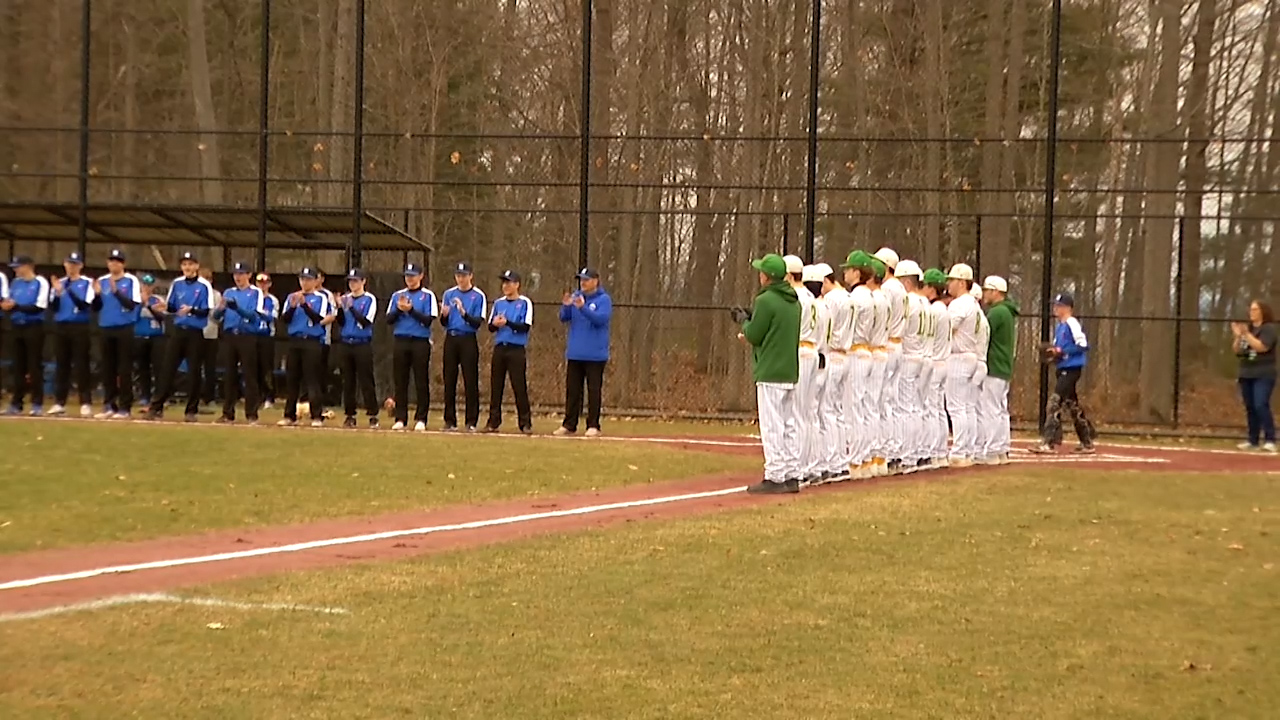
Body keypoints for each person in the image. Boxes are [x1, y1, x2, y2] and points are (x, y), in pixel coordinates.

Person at [734, 253, 802, 494]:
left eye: (762, 271)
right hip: (789, 369)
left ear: (768, 277)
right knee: (789, 423)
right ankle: (792, 473)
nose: (760, 274)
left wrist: (744, 322)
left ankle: (774, 475)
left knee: (773, 424)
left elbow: (755, 334)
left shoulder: (766, 300)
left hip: (771, 369)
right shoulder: (794, 301)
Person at [144, 251, 214, 422]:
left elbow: (207, 310)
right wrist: (165, 307)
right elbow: (173, 306)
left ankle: (191, 410)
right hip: (178, 330)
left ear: (197, 266)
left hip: (195, 332)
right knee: (167, 369)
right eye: (184, 264)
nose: (187, 268)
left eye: (190, 264)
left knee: (194, 372)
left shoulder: (204, 285)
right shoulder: (177, 283)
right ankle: (156, 407)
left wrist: (192, 310)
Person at [1030, 292, 1096, 454]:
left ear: (1067, 308)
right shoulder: (1060, 326)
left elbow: (1083, 345)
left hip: (1072, 368)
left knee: (1054, 402)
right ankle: (1087, 441)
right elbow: (1057, 351)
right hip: (1063, 368)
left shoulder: (1071, 323)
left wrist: (1062, 351)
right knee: (1072, 405)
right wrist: (1054, 354)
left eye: (1058, 306)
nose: (1055, 308)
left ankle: (1048, 441)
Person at [555, 267, 613, 437]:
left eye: (586, 280)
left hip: (595, 354)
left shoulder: (604, 300)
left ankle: (593, 425)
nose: (583, 283)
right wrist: (566, 307)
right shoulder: (576, 297)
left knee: (593, 390)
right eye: (581, 280)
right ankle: (569, 424)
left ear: (595, 281)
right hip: (575, 353)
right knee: (573, 391)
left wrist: (583, 308)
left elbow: (600, 319)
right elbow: (564, 318)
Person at [212, 262, 266, 424]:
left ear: (249, 275)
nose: (238, 277)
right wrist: (221, 309)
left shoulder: (255, 292)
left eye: (242, 274)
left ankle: (251, 413)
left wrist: (237, 309)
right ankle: (228, 412)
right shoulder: (228, 292)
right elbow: (215, 317)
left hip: (247, 336)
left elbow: (254, 316)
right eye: (236, 274)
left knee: (249, 375)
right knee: (229, 375)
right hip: (230, 336)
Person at [385, 263, 437, 432]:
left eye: (413, 276)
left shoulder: (427, 295)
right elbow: (389, 319)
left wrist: (411, 310)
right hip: (401, 340)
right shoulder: (397, 295)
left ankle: (421, 418)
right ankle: (401, 417)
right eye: (407, 276)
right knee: (401, 381)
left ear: (421, 276)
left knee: (421, 380)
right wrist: (400, 310)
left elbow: (428, 320)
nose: (410, 279)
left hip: (420, 341)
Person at [278, 267, 332, 427]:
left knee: (312, 380)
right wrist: (294, 306)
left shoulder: (321, 298)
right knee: (292, 379)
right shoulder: (291, 297)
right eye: (302, 279)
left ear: (316, 281)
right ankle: (289, 415)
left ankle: (316, 415)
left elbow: (318, 319)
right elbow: (285, 319)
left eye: (308, 279)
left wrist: (305, 305)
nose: (305, 282)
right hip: (294, 340)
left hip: (312, 341)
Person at [484, 269, 534, 434]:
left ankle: (525, 422)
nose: (505, 286)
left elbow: (525, 326)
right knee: (496, 385)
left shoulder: (525, 302)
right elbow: (490, 326)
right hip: (500, 347)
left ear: (517, 285)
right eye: (504, 282)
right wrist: (497, 324)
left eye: (509, 282)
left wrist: (508, 323)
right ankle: (493, 421)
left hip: (516, 349)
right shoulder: (499, 303)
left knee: (519, 386)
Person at [93, 249, 141, 419]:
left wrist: (116, 292)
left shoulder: (131, 280)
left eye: (118, 261)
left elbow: (132, 305)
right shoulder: (102, 281)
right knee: (108, 368)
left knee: (124, 368)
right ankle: (109, 405)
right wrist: (97, 295)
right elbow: (95, 307)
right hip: (106, 327)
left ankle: (125, 407)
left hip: (124, 327)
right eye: (111, 261)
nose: (114, 264)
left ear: (123, 264)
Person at [439, 261, 486, 432]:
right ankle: (449, 420)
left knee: (470, 380)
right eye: (458, 276)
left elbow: (477, 323)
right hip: (451, 339)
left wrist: (463, 312)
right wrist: (444, 316)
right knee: (449, 379)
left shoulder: (478, 295)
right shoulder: (448, 294)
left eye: (464, 276)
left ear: (470, 276)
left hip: (468, 339)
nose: (461, 279)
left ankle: (471, 420)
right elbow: (444, 323)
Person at [944, 263, 983, 467]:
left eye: (951, 280)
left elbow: (948, 327)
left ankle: (960, 451)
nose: (948, 284)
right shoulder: (974, 305)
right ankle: (967, 449)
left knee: (957, 406)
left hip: (959, 356)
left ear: (961, 282)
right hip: (971, 355)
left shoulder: (960, 304)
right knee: (967, 406)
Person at [893, 260, 930, 472]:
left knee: (905, 406)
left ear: (907, 280)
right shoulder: (925, 302)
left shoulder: (910, 301)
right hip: (923, 355)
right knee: (917, 406)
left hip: (909, 354)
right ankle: (917, 451)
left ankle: (907, 454)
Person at [48, 251, 95, 417]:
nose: (71, 267)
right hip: (61, 326)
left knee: (81, 365)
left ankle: (85, 402)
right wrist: (58, 293)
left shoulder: (87, 283)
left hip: (80, 326)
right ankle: (59, 402)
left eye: (75, 264)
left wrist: (67, 290)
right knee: (62, 365)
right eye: (69, 264)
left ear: (80, 266)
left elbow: (84, 305)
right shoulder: (59, 283)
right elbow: (53, 307)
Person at [842, 250, 876, 480]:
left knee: (853, 409)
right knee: (863, 408)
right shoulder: (872, 296)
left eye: (848, 269)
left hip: (855, 352)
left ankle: (856, 461)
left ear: (857, 272)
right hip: (869, 351)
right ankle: (865, 458)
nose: (845, 272)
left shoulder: (855, 298)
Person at [2, 256, 50, 415]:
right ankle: (16, 403)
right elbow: (10, 301)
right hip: (17, 326)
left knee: (34, 366)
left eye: (18, 266)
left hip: (34, 327)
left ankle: (37, 404)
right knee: (17, 367)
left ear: (28, 266)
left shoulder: (40, 282)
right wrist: (8, 306)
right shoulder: (16, 283)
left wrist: (17, 306)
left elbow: (39, 306)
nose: (16, 270)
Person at [978, 276, 1018, 464]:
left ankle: (992, 450)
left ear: (996, 292)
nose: (985, 294)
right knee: (1001, 409)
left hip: (994, 365)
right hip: (1004, 366)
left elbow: (984, 335)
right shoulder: (1007, 312)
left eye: (987, 290)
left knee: (991, 409)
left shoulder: (997, 312)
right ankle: (1002, 448)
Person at [874, 247, 908, 471]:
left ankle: (886, 450)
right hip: (899, 345)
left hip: (888, 344)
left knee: (882, 400)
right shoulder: (901, 289)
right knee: (891, 400)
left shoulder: (887, 288)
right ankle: (895, 450)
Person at [797, 261, 830, 485]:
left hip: (806, 354)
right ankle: (816, 464)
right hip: (820, 357)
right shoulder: (823, 306)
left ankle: (802, 466)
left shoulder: (804, 302)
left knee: (801, 414)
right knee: (814, 414)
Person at [817, 263, 851, 482]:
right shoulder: (848, 296)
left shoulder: (831, 299)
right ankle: (840, 461)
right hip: (846, 355)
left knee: (827, 411)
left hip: (833, 354)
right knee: (837, 411)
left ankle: (831, 461)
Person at [335, 268, 380, 428]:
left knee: (366, 380)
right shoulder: (346, 298)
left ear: (363, 282)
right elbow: (340, 322)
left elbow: (366, 322)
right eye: (351, 281)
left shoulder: (369, 299)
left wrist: (352, 308)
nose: (353, 284)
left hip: (362, 343)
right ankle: (349, 414)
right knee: (348, 381)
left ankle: (373, 414)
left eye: (356, 281)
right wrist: (340, 307)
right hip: (346, 342)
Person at [1232, 300, 1276, 452]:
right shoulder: (1248, 329)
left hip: (1263, 372)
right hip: (1246, 372)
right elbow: (1238, 351)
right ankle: (1253, 440)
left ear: (1263, 311)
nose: (1251, 312)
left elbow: (1262, 347)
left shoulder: (1269, 328)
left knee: (1260, 404)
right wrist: (1238, 337)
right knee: (1250, 406)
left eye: (1255, 309)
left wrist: (1246, 334)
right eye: (1250, 309)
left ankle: (1270, 439)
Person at [923, 268, 952, 467]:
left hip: (935, 361)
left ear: (931, 288)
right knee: (939, 409)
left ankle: (933, 450)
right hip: (945, 362)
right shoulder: (944, 309)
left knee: (930, 408)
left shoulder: (934, 310)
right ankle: (940, 450)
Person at [866, 258, 892, 475]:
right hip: (884, 350)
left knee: (868, 406)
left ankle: (869, 456)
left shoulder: (873, 297)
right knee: (880, 404)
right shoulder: (885, 297)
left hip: (872, 350)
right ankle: (879, 456)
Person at [134, 275, 166, 409]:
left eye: (149, 285)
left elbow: (162, 317)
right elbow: (132, 317)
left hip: (156, 337)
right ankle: (145, 396)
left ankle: (159, 397)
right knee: (143, 369)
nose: (147, 287)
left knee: (158, 369)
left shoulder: (158, 300)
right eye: (144, 284)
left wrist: (149, 305)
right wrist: (141, 303)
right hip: (140, 337)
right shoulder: (135, 300)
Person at [251, 273, 279, 408]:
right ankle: (256, 396)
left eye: (265, 283)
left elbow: (272, 317)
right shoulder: (251, 297)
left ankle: (269, 396)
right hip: (251, 335)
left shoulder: (272, 300)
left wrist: (260, 312)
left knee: (266, 368)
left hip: (266, 336)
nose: (262, 285)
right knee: (252, 367)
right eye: (260, 283)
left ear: (270, 284)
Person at [197, 266, 221, 409]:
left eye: (207, 279)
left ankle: (209, 397)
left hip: (211, 334)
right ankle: (197, 396)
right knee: (196, 367)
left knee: (210, 368)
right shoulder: (195, 292)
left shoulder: (216, 295)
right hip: (196, 334)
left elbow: (216, 316)